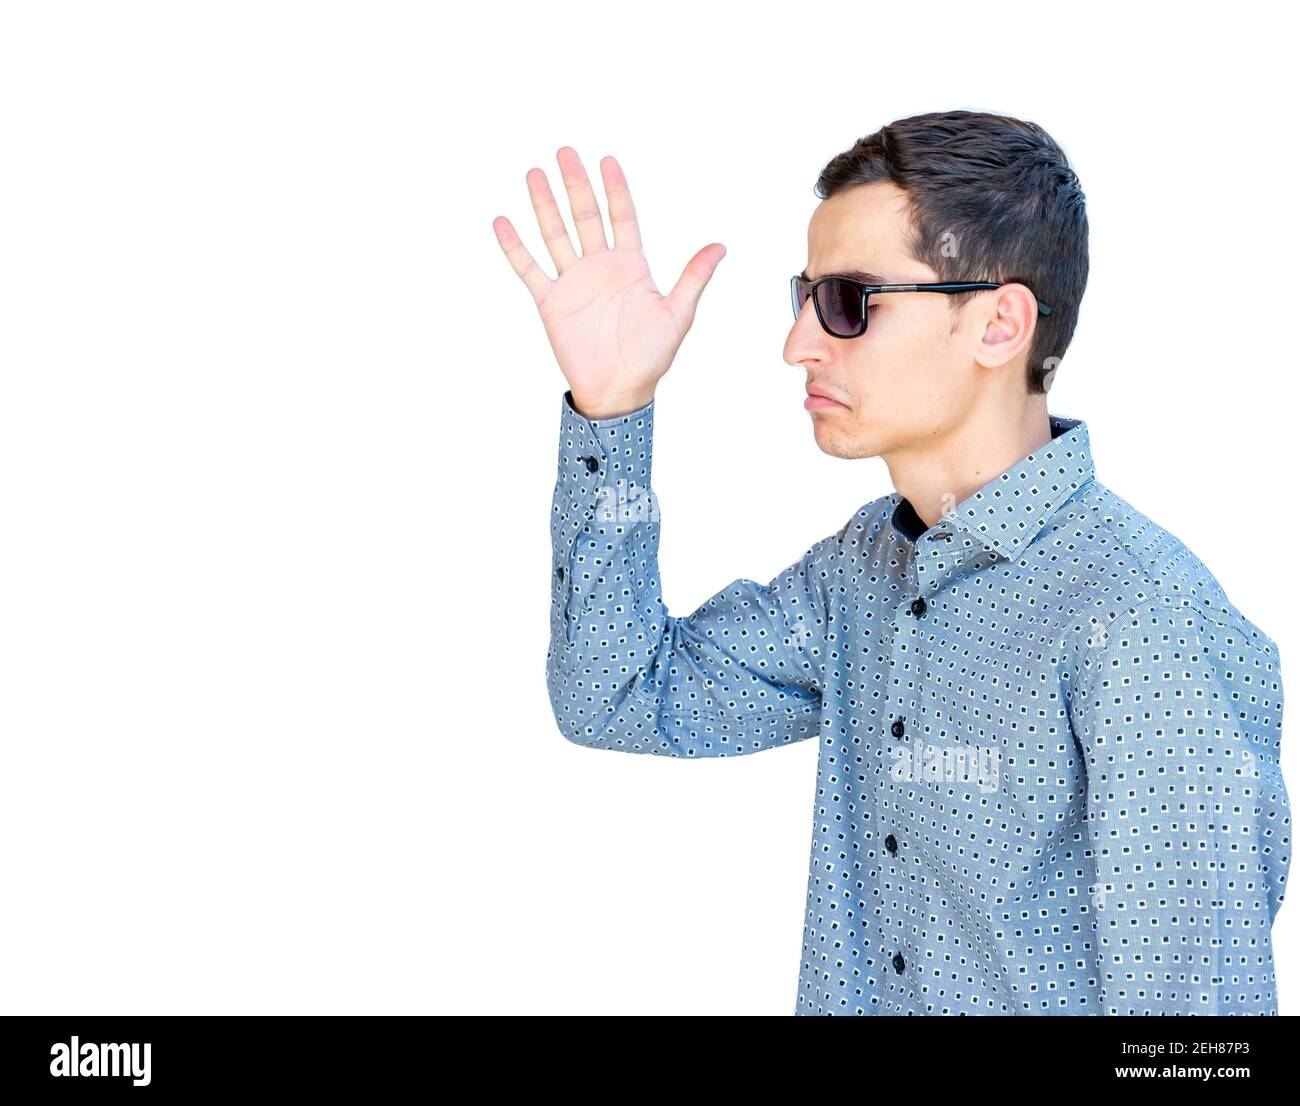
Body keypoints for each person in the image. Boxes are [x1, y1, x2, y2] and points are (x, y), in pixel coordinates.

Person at [492, 109, 1291, 1016]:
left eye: (848, 302)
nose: (797, 344)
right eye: (803, 298)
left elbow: (1194, 1038)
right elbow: (618, 694)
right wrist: (612, 413)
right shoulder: (860, 573)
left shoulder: (1144, 620)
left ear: (999, 325)